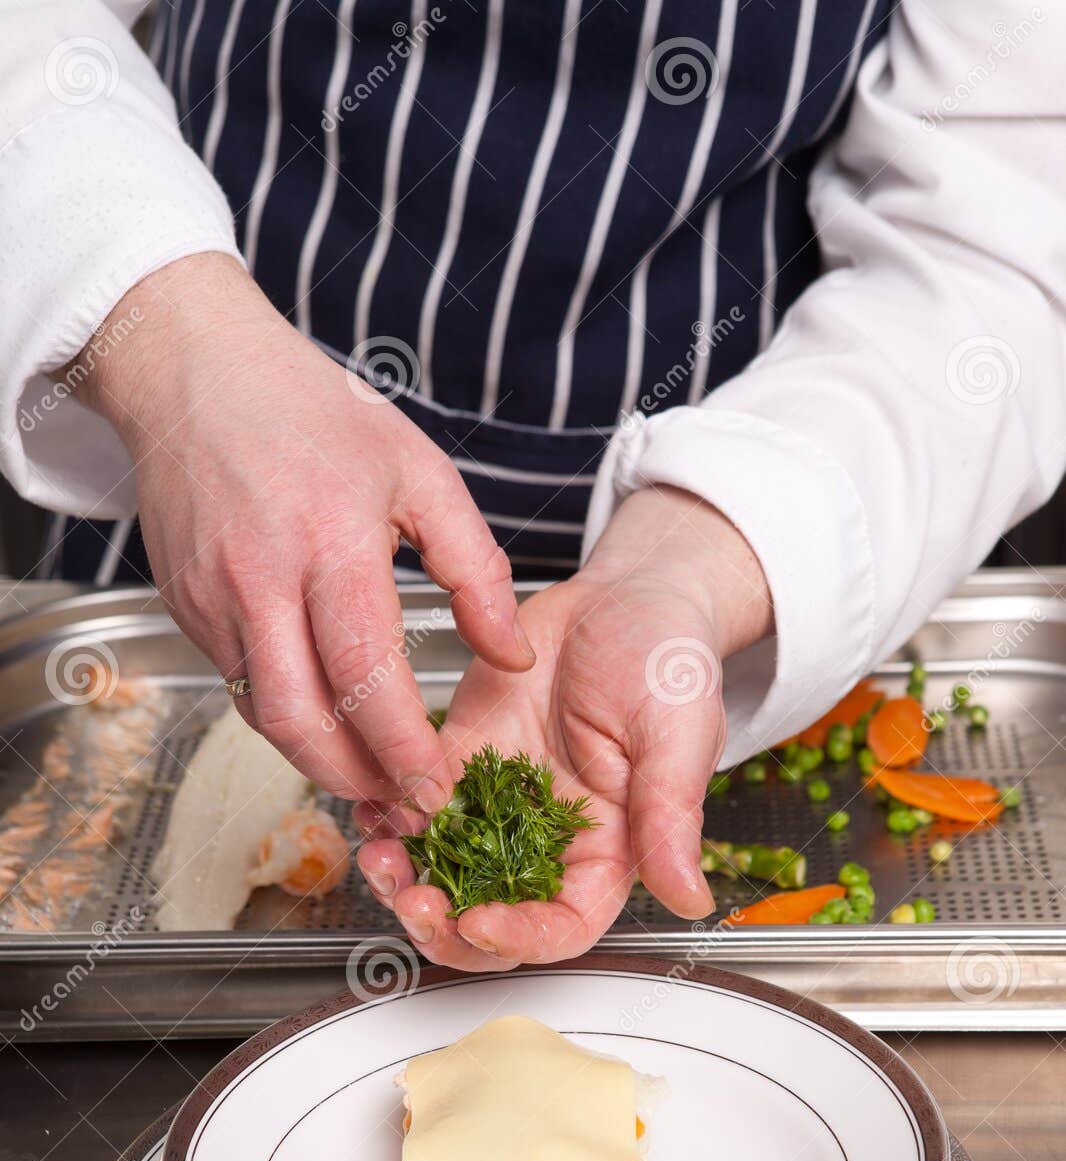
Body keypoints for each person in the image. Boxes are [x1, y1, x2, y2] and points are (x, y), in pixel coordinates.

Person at [2, 1, 1063, 971]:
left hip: (752, 488)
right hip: (193, 445)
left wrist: (698, 557)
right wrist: (180, 351)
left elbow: (997, 232)